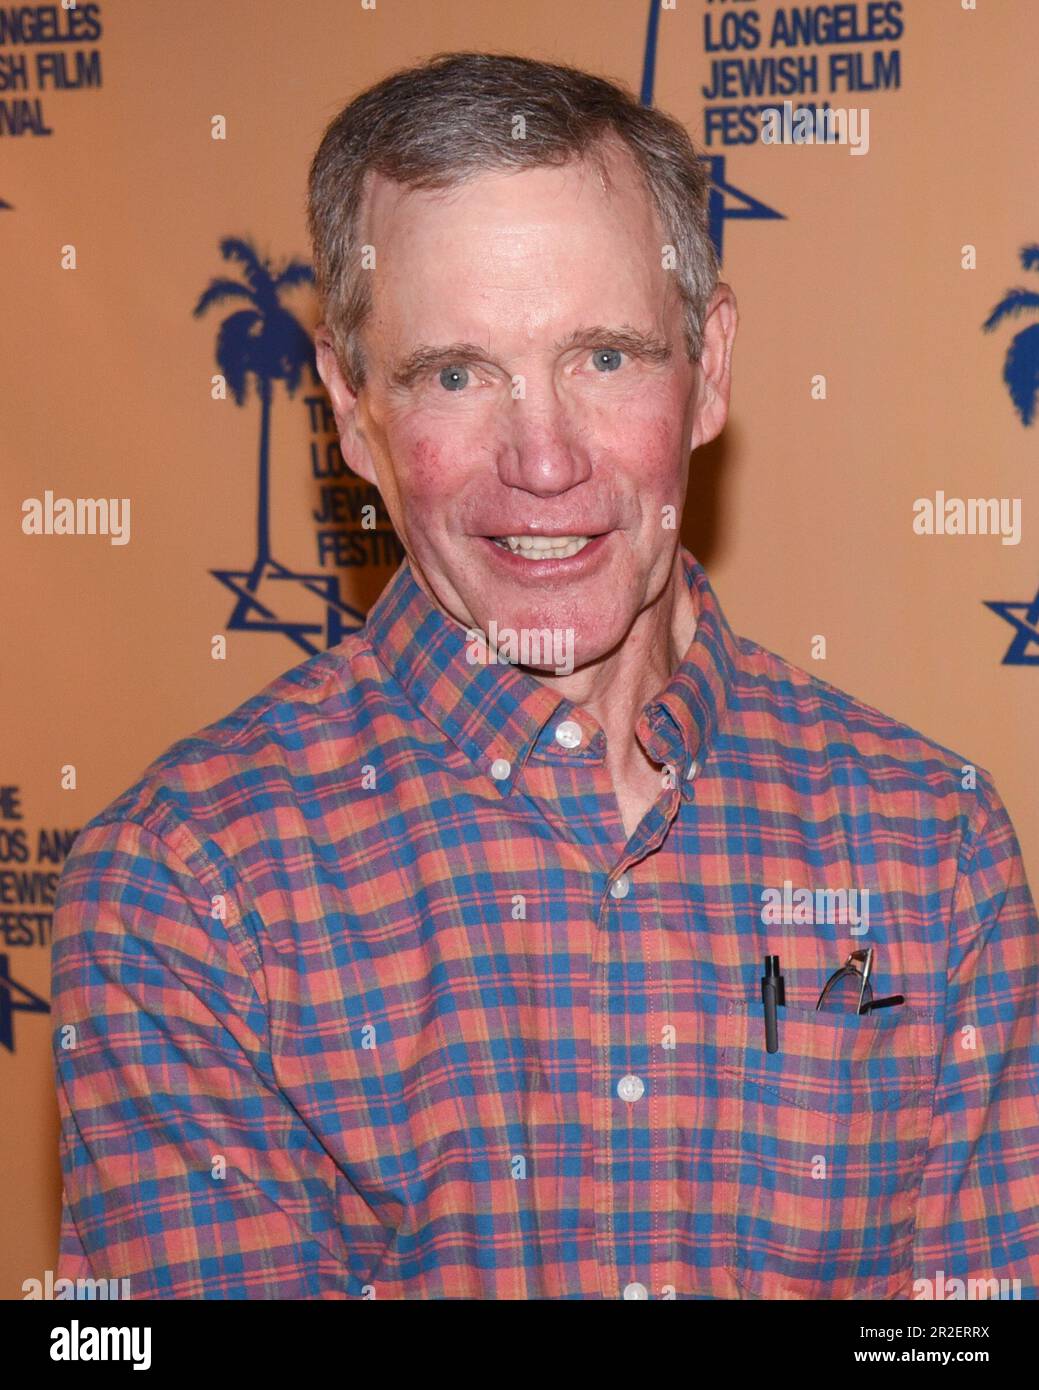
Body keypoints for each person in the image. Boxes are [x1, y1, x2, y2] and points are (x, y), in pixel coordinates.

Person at [52, 51, 1039, 1300]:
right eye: (455, 374)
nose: (543, 460)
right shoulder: (187, 893)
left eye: (605, 358)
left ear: (710, 366)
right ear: (352, 411)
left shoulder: (930, 841)